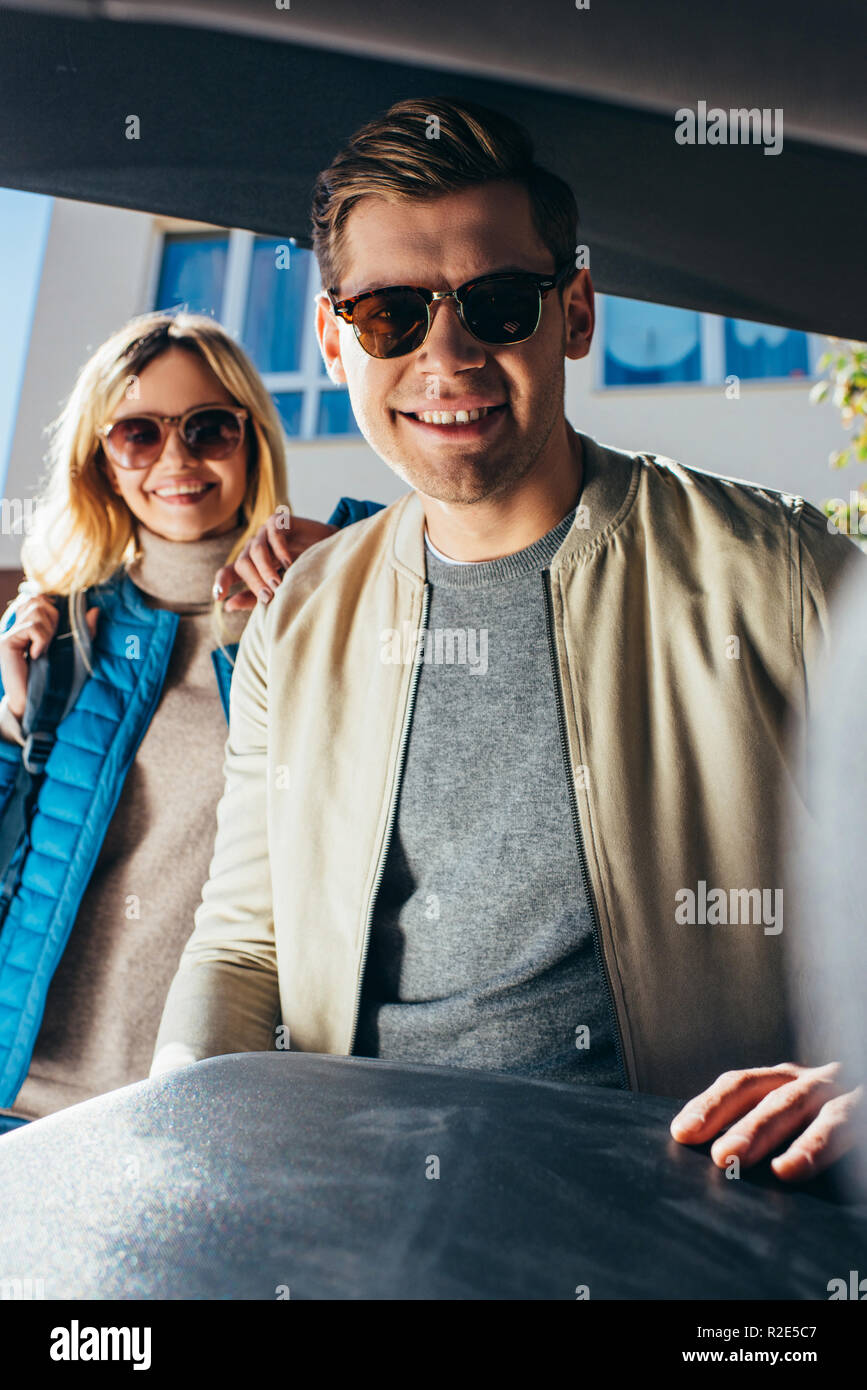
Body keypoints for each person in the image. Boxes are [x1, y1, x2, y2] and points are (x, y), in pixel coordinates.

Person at [151, 97, 864, 1183]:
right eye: (392, 313)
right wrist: (171, 1139)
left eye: (498, 303)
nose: (448, 356)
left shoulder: (785, 576)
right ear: (335, 337)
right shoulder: (299, 617)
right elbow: (248, 942)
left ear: (574, 313)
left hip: (685, 1225)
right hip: (363, 1215)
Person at [0, 310, 375, 1132]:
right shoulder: (62, 633)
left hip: (199, 1102)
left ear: (252, 441)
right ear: (101, 458)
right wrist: (9, 722)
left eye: (209, 428)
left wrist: (352, 554)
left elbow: (453, 578)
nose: (176, 459)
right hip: (24, 1096)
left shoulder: (313, 608)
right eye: (138, 433)